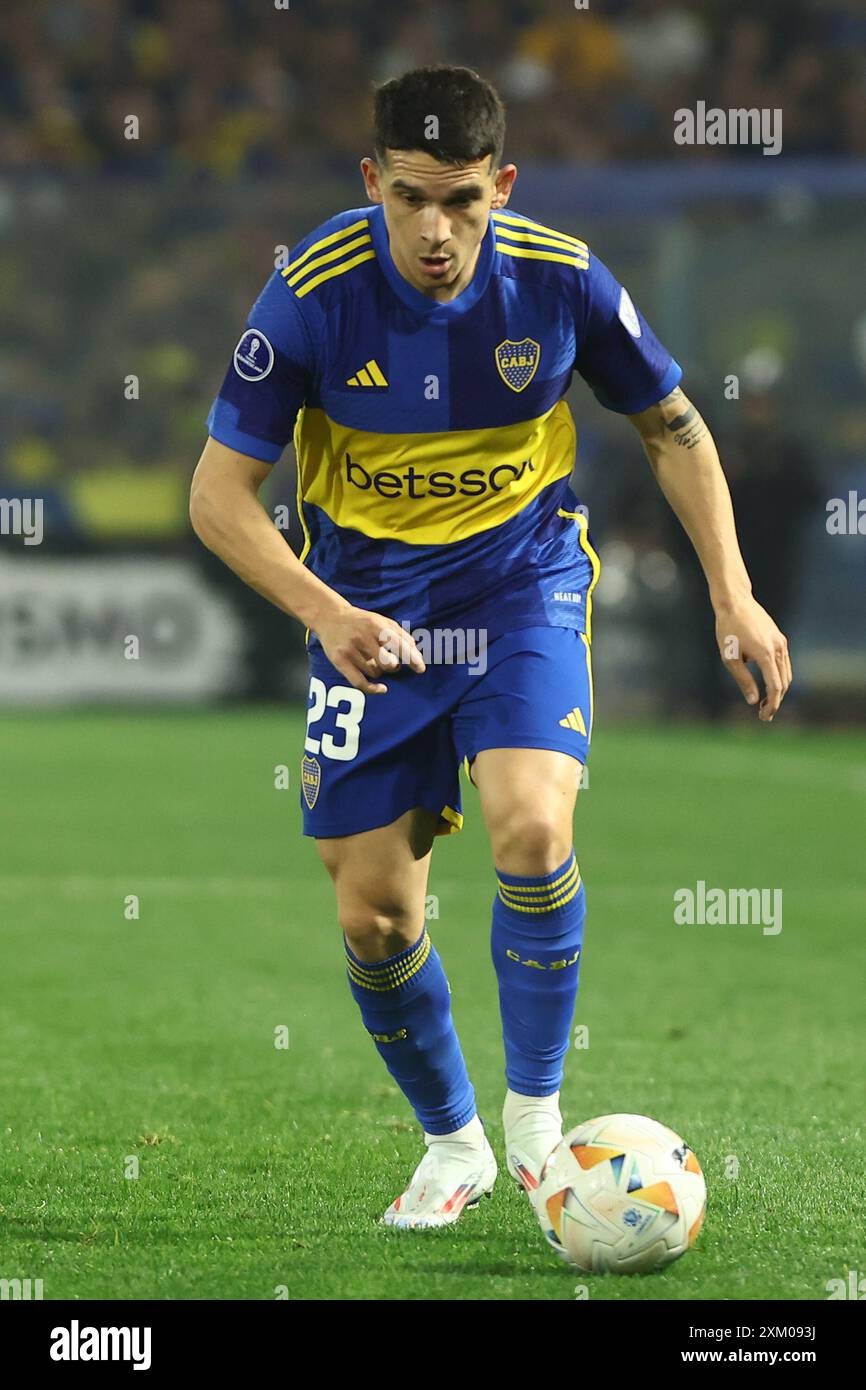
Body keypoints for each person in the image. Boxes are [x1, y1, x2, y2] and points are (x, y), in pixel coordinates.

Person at [189, 65, 791, 1234]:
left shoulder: (561, 280)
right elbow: (217, 497)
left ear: (500, 186)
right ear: (372, 181)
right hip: (364, 613)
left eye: (461, 201)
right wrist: (322, 610)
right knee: (374, 915)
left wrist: (733, 590)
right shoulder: (310, 296)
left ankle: (533, 1127)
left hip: (519, 586)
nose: (434, 229)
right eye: (410, 197)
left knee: (531, 822)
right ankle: (449, 1145)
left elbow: (671, 427)